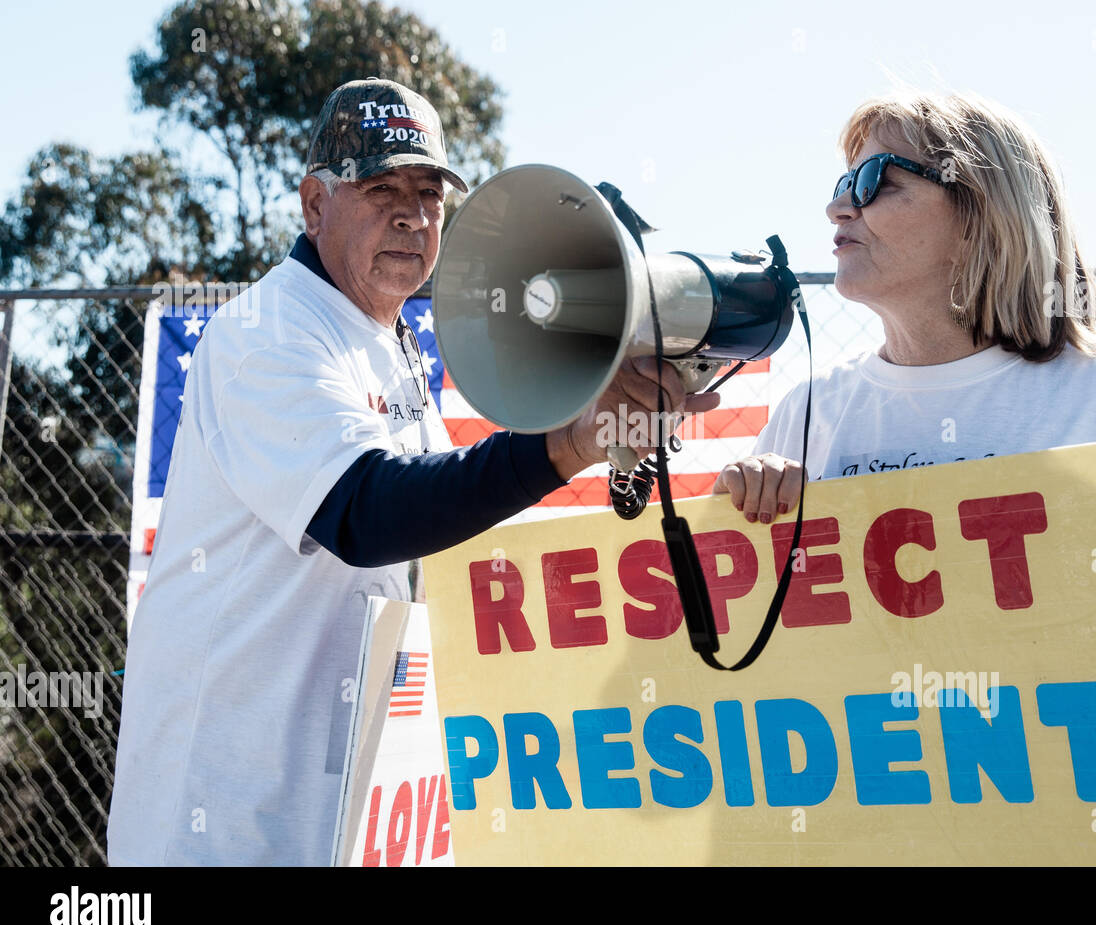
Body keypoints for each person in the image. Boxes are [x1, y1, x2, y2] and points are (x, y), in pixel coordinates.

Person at [108, 78, 716, 866]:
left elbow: (441, 524)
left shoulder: (387, 340)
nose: (412, 214)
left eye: (429, 194)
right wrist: (565, 443)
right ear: (314, 205)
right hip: (218, 825)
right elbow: (366, 514)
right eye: (380, 187)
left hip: (331, 816)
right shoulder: (268, 332)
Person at [713, 90, 1096, 866]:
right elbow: (738, 671)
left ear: (982, 213)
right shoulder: (808, 415)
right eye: (839, 184)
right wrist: (741, 541)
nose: (836, 208)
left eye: (876, 181)